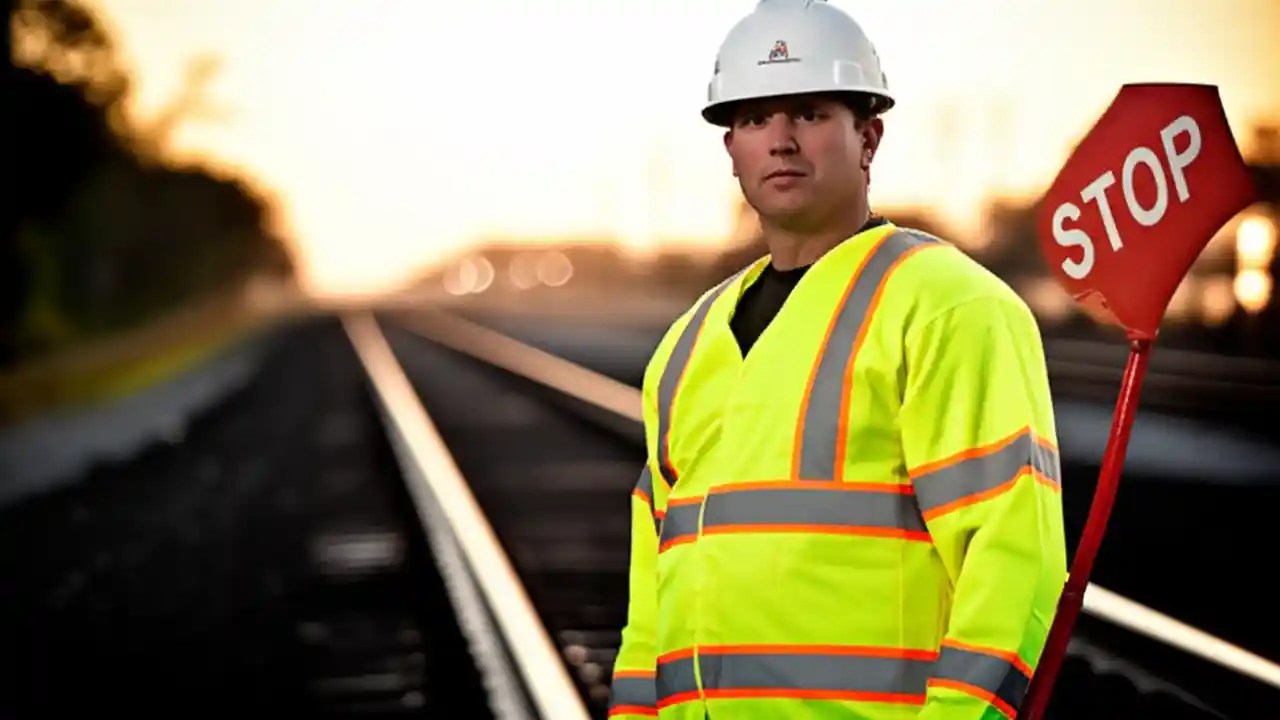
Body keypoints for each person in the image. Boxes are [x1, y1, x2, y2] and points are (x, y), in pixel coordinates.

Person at [606, 1, 1067, 719]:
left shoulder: (948, 308)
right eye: (755, 118)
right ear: (730, 147)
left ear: (868, 137)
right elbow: (651, 597)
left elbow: (1014, 561)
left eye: (811, 113)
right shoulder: (687, 343)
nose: (781, 140)